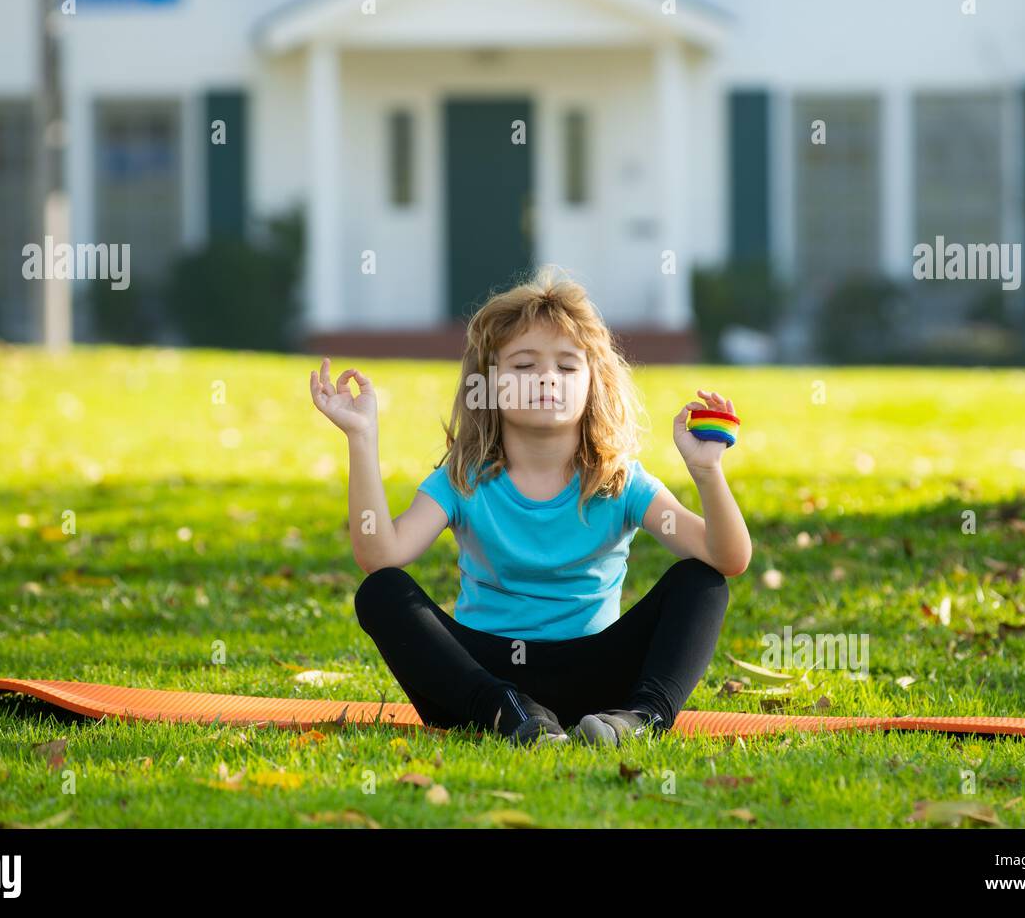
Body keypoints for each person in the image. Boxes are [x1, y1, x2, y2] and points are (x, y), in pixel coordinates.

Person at [309, 266, 752, 748]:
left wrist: (707, 472)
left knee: (702, 582)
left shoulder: (620, 480)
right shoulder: (463, 480)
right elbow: (380, 556)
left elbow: (728, 557)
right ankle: (515, 717)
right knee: (381, 592)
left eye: (566, 366)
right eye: (524, 366)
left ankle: (640, 720)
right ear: (490, 383)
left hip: (596, 678)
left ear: (592, 383)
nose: (547, 378)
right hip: (482, 684)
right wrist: (361, 436)